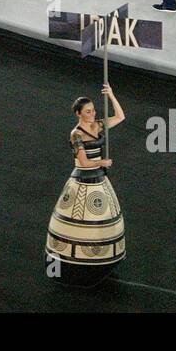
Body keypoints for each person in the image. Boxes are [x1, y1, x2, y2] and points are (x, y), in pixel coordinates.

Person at [46, 84, 126, 282]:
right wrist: (102, 162)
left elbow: (120, 117)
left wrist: (112, 95)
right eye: (88, 111)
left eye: (93, 110)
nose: (92, 114)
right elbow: (83, 162)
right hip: (84, 178)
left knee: (102, 216)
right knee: (80, 218)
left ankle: (101, 256)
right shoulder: (76, 134)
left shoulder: (97, 125)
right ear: (78, 114)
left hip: (99, 178)